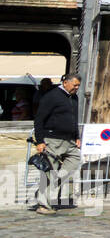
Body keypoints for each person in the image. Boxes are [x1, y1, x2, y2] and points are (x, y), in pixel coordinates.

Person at [31, 74, 82, 215]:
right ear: (65, 83)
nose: (77, 88)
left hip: (69, 140)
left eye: (78, 85)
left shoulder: (74, 97)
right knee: (48, 173)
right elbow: (39, 119)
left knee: (74, 160)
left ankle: (46, 194)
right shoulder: (51, 96)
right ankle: (43, 205)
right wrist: (40, 141)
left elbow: (74, 118)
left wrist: (77, 136)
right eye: (75, 85)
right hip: (52, 139)